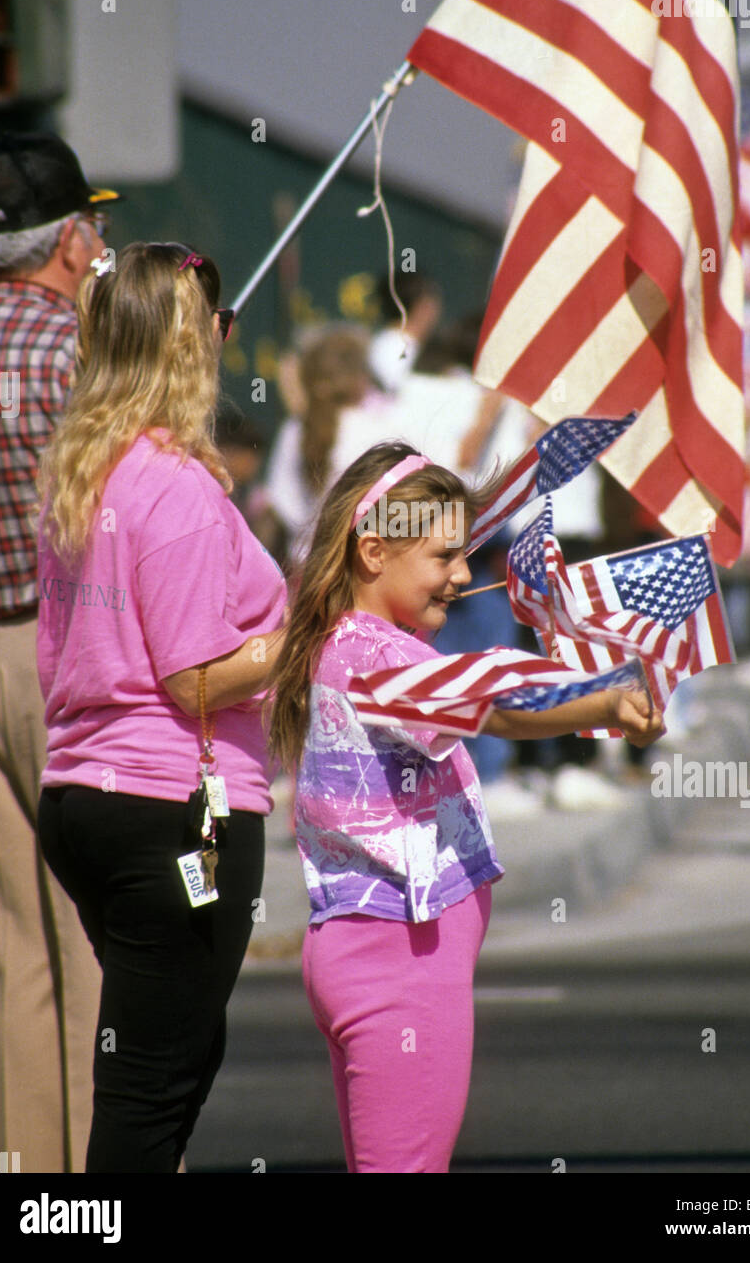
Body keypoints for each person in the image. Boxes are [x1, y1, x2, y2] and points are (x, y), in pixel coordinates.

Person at [267, 441, 664, 1173]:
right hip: (402, 959)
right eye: (444, 556)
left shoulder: (350, 643)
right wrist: (604, 699)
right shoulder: (379, 659)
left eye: (467, 554)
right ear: (374, 552)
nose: (462, 575)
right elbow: (494, 704)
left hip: (369, 951)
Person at [34, 242, 287, 1173]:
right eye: (218, 324)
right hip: (171, 804)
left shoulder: (83, 472)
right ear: (191, 343)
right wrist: (298, 639)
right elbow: (192, 679)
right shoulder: (173, 490)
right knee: (151, 1086)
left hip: (85, 798)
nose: (231, 337)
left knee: (171, 1056)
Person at [0, 131, 119, 1171]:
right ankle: (104, 1183)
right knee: (97, 939)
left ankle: (31, 1186)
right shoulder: (77, 349)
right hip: (73, 655)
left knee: (14, 939)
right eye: (95, 223)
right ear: (68, 240)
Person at [265, 322, 393, 561]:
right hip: (359, 574)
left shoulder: (293, 429)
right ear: (360, 377)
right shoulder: (378, 430)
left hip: (304, 574)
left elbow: (281, 504)